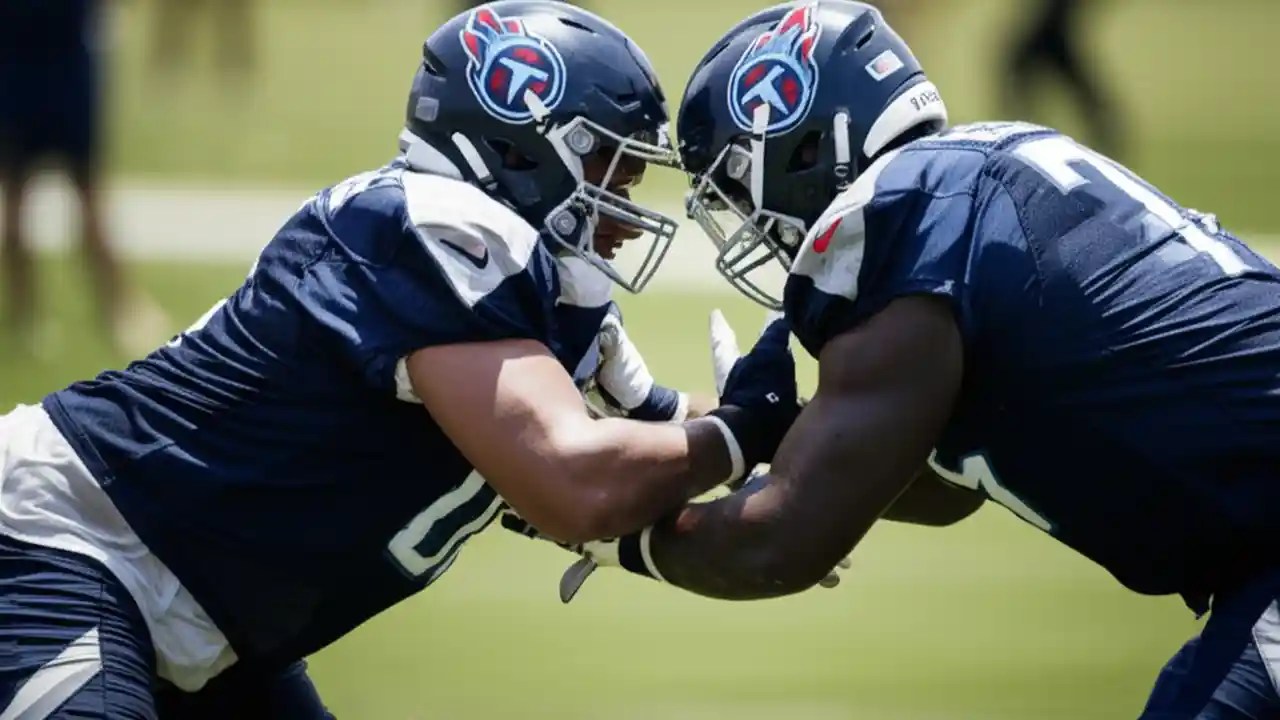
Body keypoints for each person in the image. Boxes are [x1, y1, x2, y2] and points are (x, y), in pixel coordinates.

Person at [0, 2, 800, 716]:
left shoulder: (531, 295)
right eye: (612, 172)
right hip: (73, 544)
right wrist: (741, 433)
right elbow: (577, 478)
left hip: (205, 619)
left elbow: (651, 436)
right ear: (521, 150)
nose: (625, 208)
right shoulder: (431, 230)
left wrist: (796, 445)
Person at [549, 2, 1280, 717]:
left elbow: (779, 543)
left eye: (740, 185)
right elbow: (942, 484)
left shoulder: (905, 215)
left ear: (809, 147)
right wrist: (771, 438)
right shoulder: (979, 172)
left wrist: (622, 535)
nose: (749, 222)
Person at [0, 0, 161, 356]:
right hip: (58, 64)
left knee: (22, 197)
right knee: (76, 194)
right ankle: (115, 308)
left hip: (23, 64)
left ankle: (28, 316)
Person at [1002, 0, 1124, 159]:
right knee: (1018, 94)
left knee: (1018, 91)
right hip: (1047, 38)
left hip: (1048, 38)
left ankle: (1106, 139)